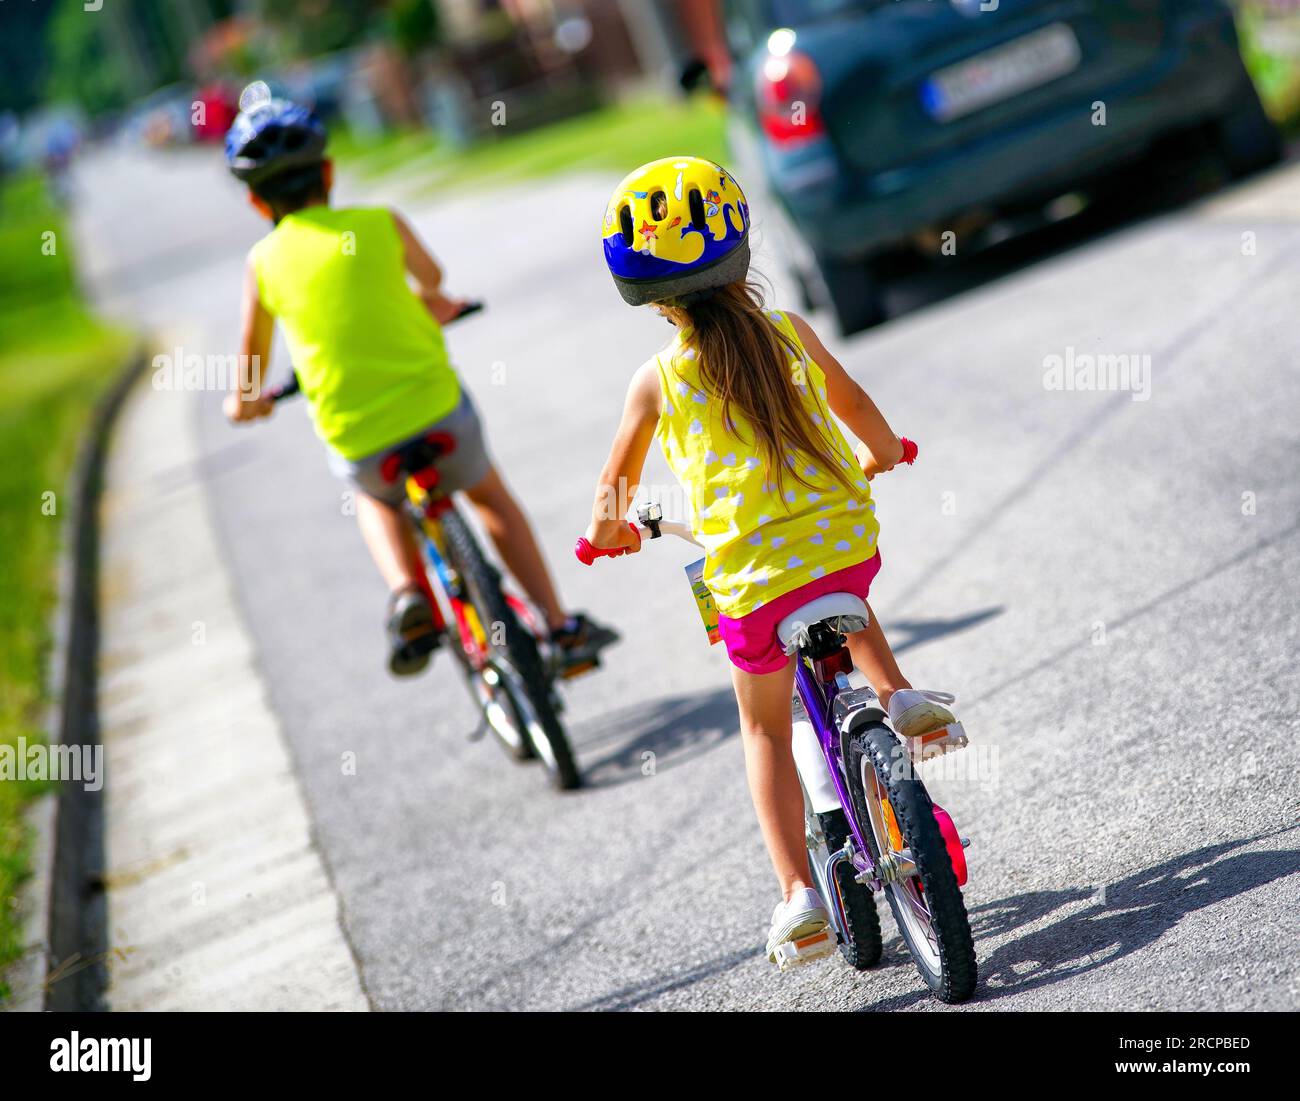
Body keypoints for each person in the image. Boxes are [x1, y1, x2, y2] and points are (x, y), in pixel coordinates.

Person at [583, 156, 964, 967]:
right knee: (837, 585)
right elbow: (853, 401)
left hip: (753, 581)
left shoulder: (656, 380)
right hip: (843, 542)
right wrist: (884, 449)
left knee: (761, 726)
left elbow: (615, 486)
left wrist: (605, 533)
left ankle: (797, 893)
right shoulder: (789, 330)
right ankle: (898, 696)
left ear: (648, 297)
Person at [222, 83, 616, 676]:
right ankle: (560, 627)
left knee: (372, 496)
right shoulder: (380, 222)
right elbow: (432, 280)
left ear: (257, 203)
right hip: (436, 410)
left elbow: (251, 363)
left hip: (358, 431)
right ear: (328, 173)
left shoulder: (263, 263)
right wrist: (434, 303)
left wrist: (244, 403)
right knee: (488, 495)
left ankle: (408, 593)